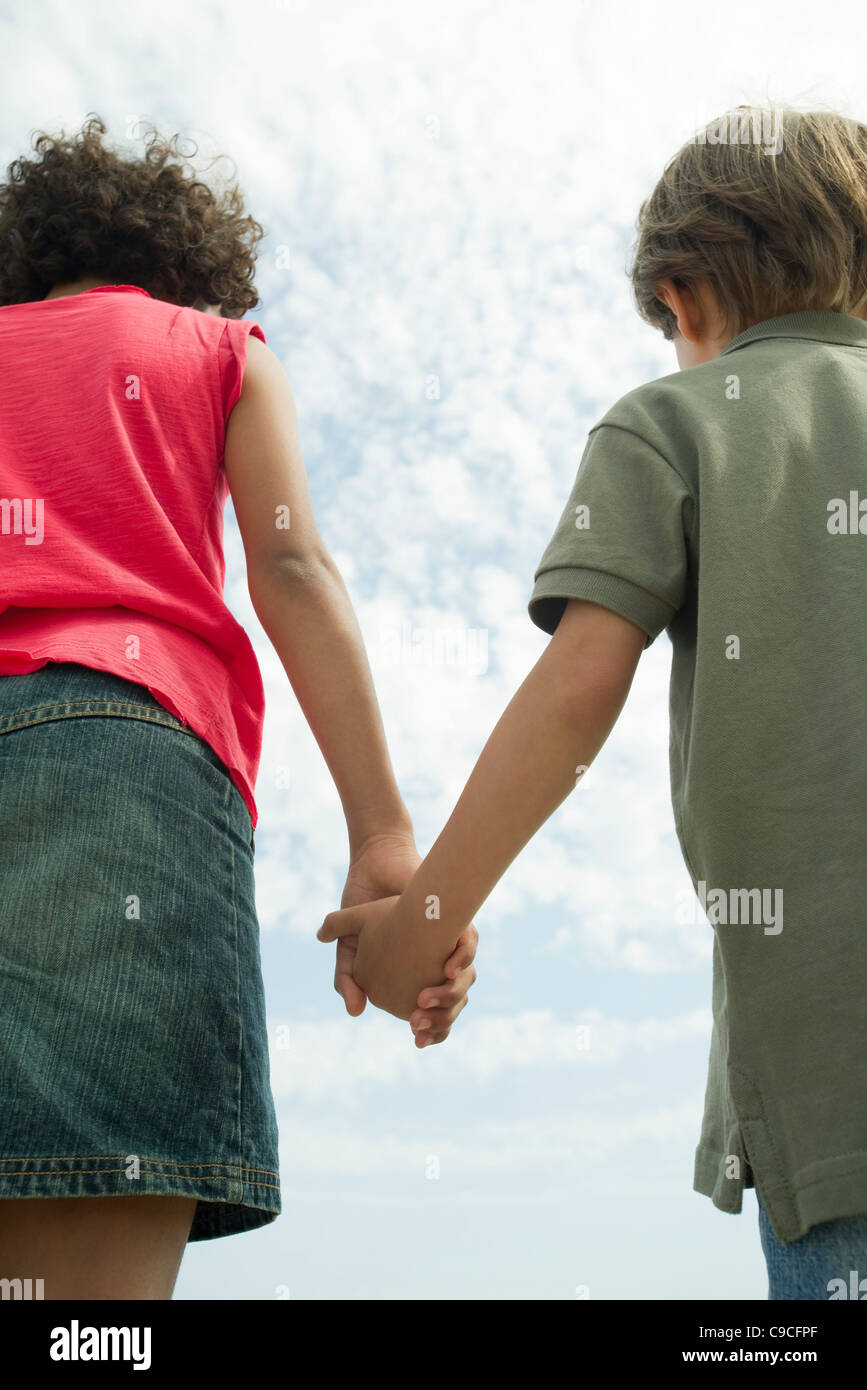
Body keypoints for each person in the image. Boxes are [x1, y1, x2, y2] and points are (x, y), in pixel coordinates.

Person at [319, 104, 867, 1301]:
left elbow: (576, 691)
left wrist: (420, 924)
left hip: (840, 1094)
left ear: (685, 299)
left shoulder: (678, 421)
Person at [0, 112, 477, 1300]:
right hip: (124, 761)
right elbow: (294, 572)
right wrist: (382, 840)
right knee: (89, 1314)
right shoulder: (218, 350)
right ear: (183, 256)